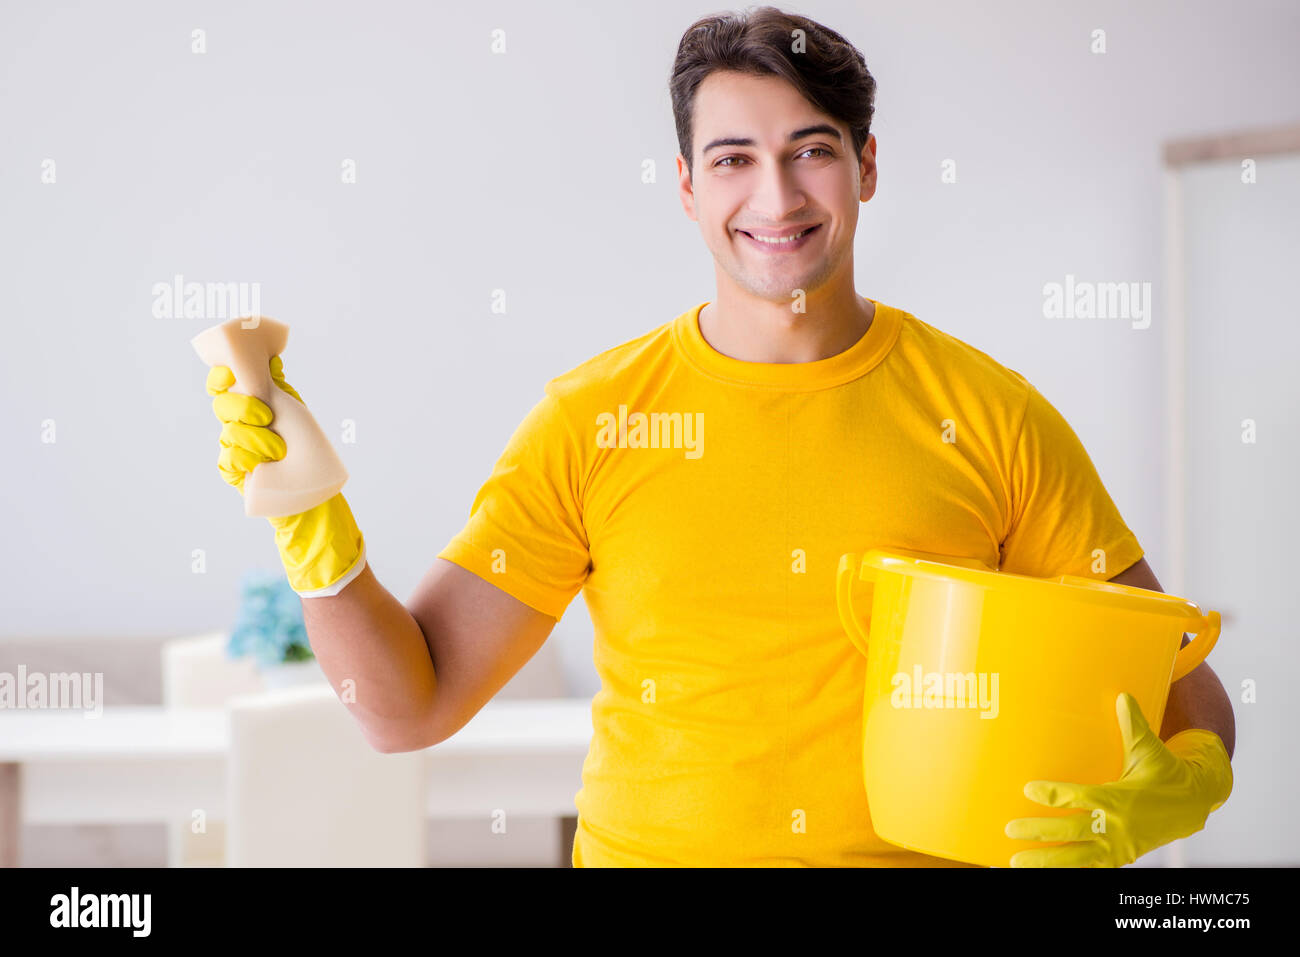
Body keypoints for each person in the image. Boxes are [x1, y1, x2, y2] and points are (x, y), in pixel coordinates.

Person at [205, 6, 1234, 867]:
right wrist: (312, 524)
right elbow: (406, 712)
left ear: (866, 167)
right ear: (690, 186)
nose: (775, 198)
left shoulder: (992, 415)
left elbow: (1186, 699)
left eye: (811, 153)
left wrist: (1162, 799)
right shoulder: (593, 419)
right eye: (733, 159)